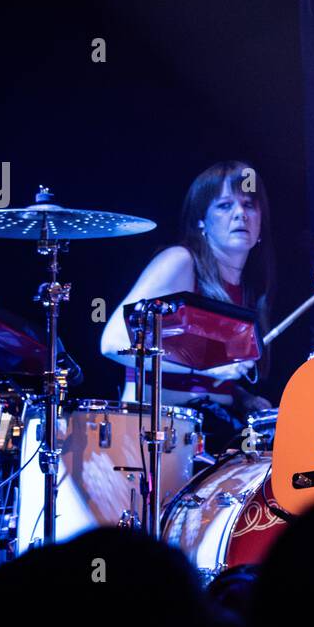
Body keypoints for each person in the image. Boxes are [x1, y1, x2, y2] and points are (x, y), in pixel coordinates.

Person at [101, 160, 275, 446]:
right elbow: (112, 342)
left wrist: (243, 397)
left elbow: (208, 380)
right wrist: (206, 367)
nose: (240, 214)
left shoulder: (246, 288)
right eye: (224, 205)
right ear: (201, 222)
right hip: (156, 435)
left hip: (211, 426)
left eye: (249, 205)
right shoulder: (181, 261)